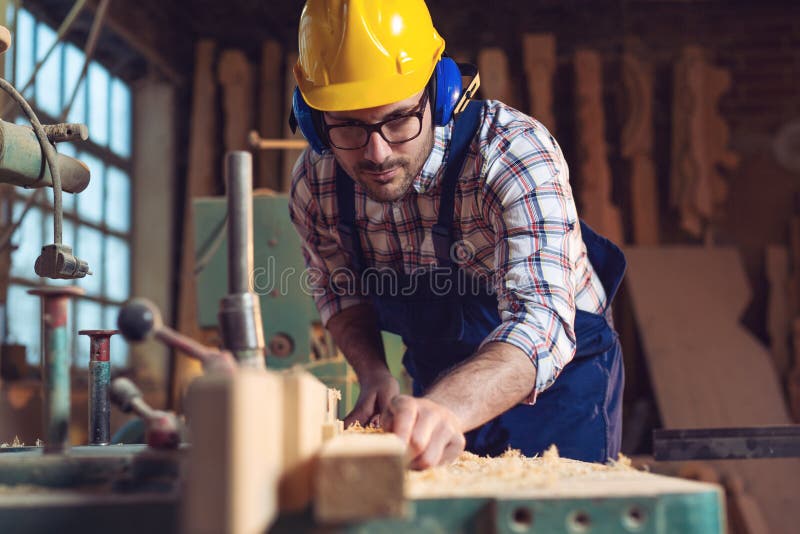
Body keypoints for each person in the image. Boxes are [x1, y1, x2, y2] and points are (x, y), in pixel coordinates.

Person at [288, 0, 626, 470]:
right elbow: (341, 295)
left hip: (559, 390)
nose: (378, 153)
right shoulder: (317, 184)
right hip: (439, 384)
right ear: (312, 120)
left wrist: (445, 408)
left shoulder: (512, 154)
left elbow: (541, 323)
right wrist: (374, 374)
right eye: (347, 127)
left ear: (442, 93)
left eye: (399, 119)